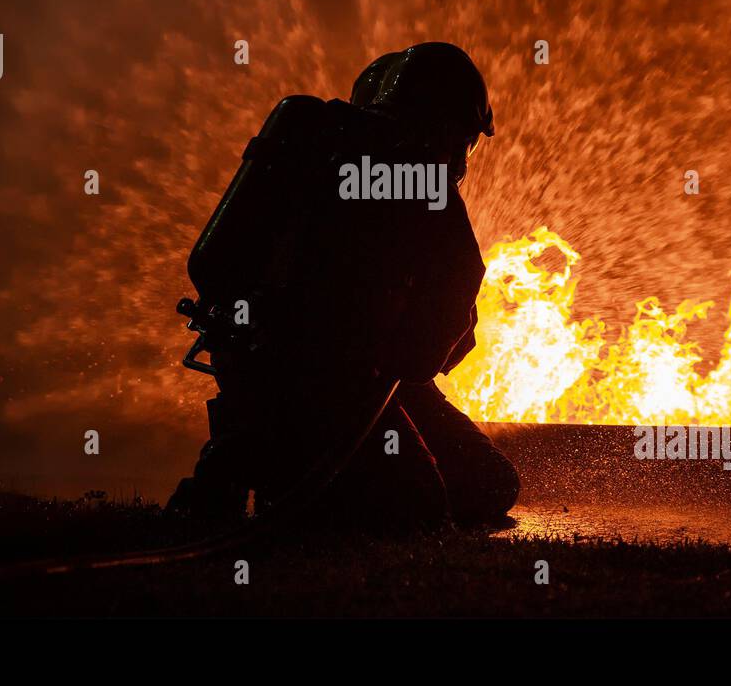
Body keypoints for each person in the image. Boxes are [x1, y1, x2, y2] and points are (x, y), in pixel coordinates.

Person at [168, 42, 519, 531]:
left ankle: (251, 462)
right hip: (348, 394)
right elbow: (436, 338)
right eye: (465, 140)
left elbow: (212, 266)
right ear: (446, 123)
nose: (462, 157)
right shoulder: (426, 179)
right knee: (439, 504)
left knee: (472, 484)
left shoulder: (307, 137)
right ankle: (299, 483)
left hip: (268, 380)